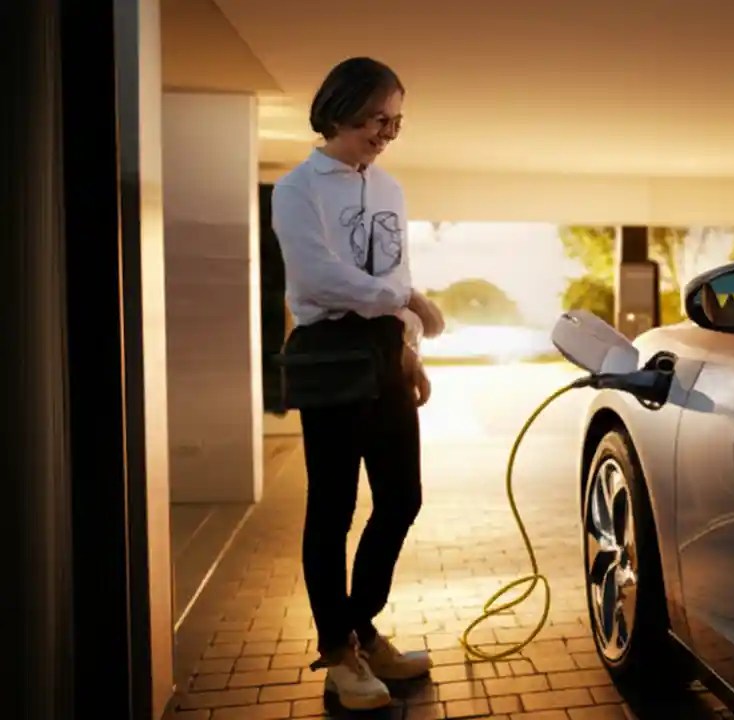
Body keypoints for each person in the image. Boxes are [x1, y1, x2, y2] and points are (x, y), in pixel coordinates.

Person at [271, 56, 443, 711]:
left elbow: (395, 272)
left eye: (396, 123)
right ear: (340, 109)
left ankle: (361, 630)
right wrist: (408, 299)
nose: (386, 133)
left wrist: (409, 346)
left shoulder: (390, 189)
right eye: (378, 118)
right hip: (329, 349)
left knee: (402, 498)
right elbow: (317, 281)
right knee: (334, 509)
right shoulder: (298, 188)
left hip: (383, 350)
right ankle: (338, 651)